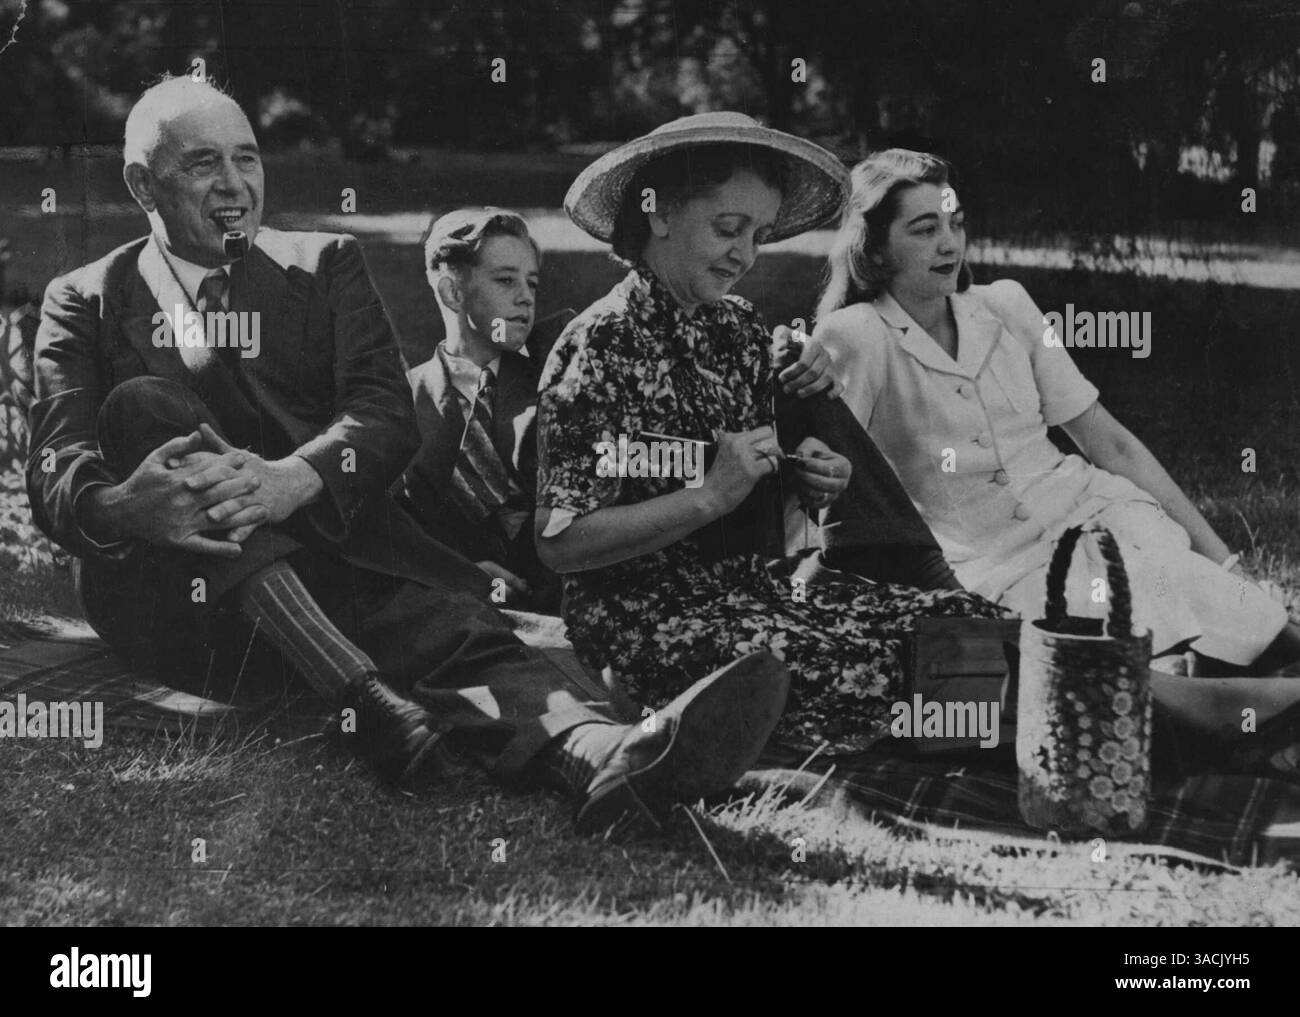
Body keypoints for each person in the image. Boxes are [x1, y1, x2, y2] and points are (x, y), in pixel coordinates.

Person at [24, 76, 793, 833]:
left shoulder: (324, 264)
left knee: (452, 629)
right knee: (140, 408)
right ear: (141, 183)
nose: (234, 185)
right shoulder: (84, 297)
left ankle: (605, 760)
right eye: (203, 164)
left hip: (337, 571)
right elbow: (56, 462)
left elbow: (385, 415)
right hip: (177, 605)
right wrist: (122, 507)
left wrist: (295, 477)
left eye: (248, 158)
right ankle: (359, 690)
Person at [535, 112, 1007, 756]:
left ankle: (996, 727)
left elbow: (763, 479)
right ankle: (999, 731)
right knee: (862, 670)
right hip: (646, 625)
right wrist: (708, 496)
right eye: (727, 229)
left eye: (757, 234)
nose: (745, 254)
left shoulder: (737, 328)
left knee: (964, 623)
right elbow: (560, 543)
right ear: (659, 214)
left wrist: (811, 476)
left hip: (757, 594)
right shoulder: (600, 344)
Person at [812, 148, 1300, 682]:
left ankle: (1244, 691)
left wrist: (1225, 563)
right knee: (1107, 669)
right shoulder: (856, 336)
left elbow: (1108, 443)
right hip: (990, 563)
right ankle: (1226, 704)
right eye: (924, 230)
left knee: (1254, 624)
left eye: (957, 223)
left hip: (1098, 517)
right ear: (876, 250)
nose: (949, 243)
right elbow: (833, 488)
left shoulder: (1006, 305)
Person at [400, 208, 563, 612]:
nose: (526, 296)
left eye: (532, 282)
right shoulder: (403, 399)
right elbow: (385, 526)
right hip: (463, 607)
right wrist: (458, 570)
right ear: (452, 293)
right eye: (506, 280)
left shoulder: (556, 376)